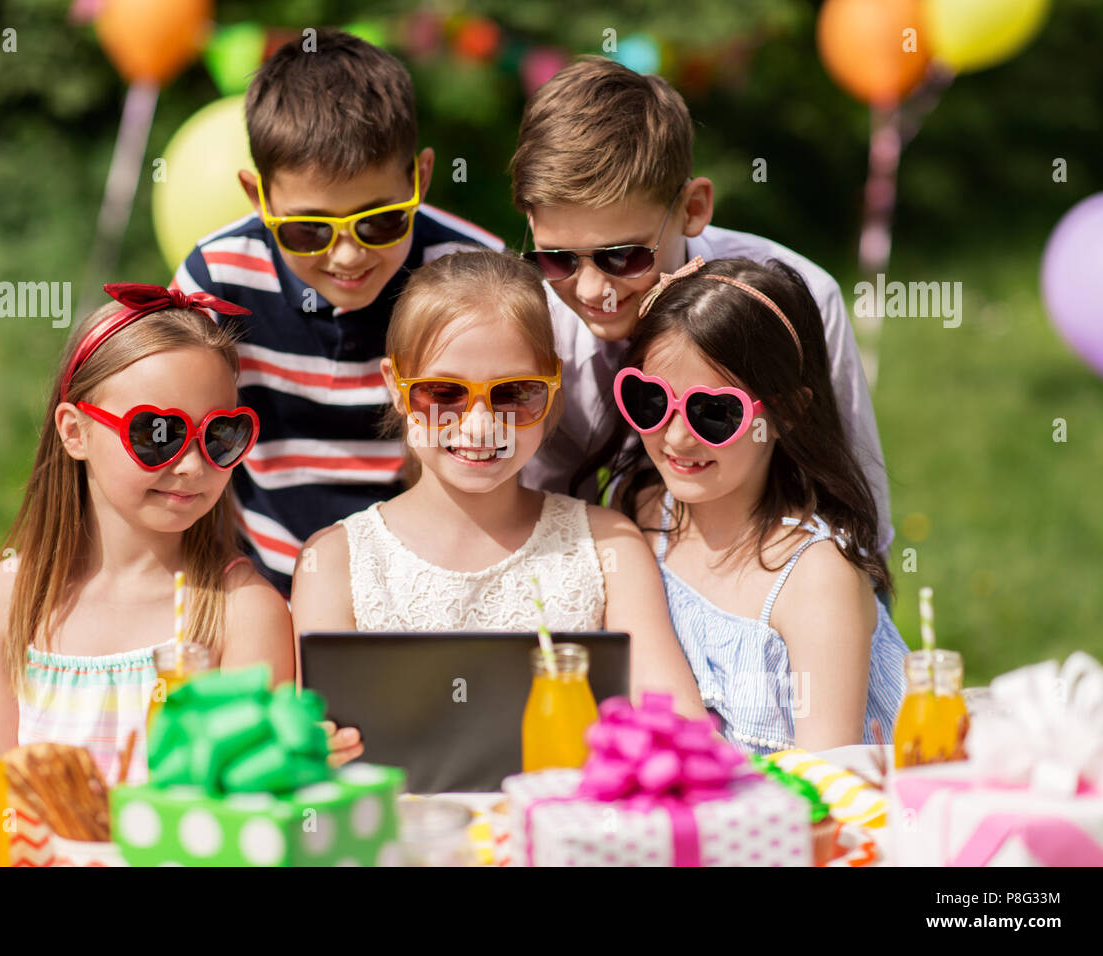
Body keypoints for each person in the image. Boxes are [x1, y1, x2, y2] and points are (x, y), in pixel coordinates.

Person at [291, 252, 706, 755]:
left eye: (514, 393)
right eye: (443, 393)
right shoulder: (334, 561)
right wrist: (314, 748)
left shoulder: (607, 545)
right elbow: (312, 742)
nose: (481, 426)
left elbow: (679, 728)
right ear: (396, 389)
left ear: (552, 389)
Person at [510, 56, 893, 558]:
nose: (588, 291)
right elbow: (545, 517)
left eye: (622, 256)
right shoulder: (534, 323)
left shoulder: (797, 300)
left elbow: (851, 509)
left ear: (693, 208)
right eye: (556, 259)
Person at [171, 29, 504, 596]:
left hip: (434, 581)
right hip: (261, 582)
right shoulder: (216, 279)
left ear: (421, 179)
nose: (348, 255)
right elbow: (176, 443)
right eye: (309, 229)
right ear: (259, 197)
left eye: (379, 221)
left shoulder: (474, 277)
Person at [0, 284, 293, 784]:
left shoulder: (242, 613)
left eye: (221, 435)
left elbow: (247, 802)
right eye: (159, 434)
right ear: (74, 431)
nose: (193, 465)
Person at [599, 256, 908, 753]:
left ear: (785, 413)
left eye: (714, 413)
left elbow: (830, 783)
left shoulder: (816, 580)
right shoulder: (643, 507)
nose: (676, 437)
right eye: (651, 401)